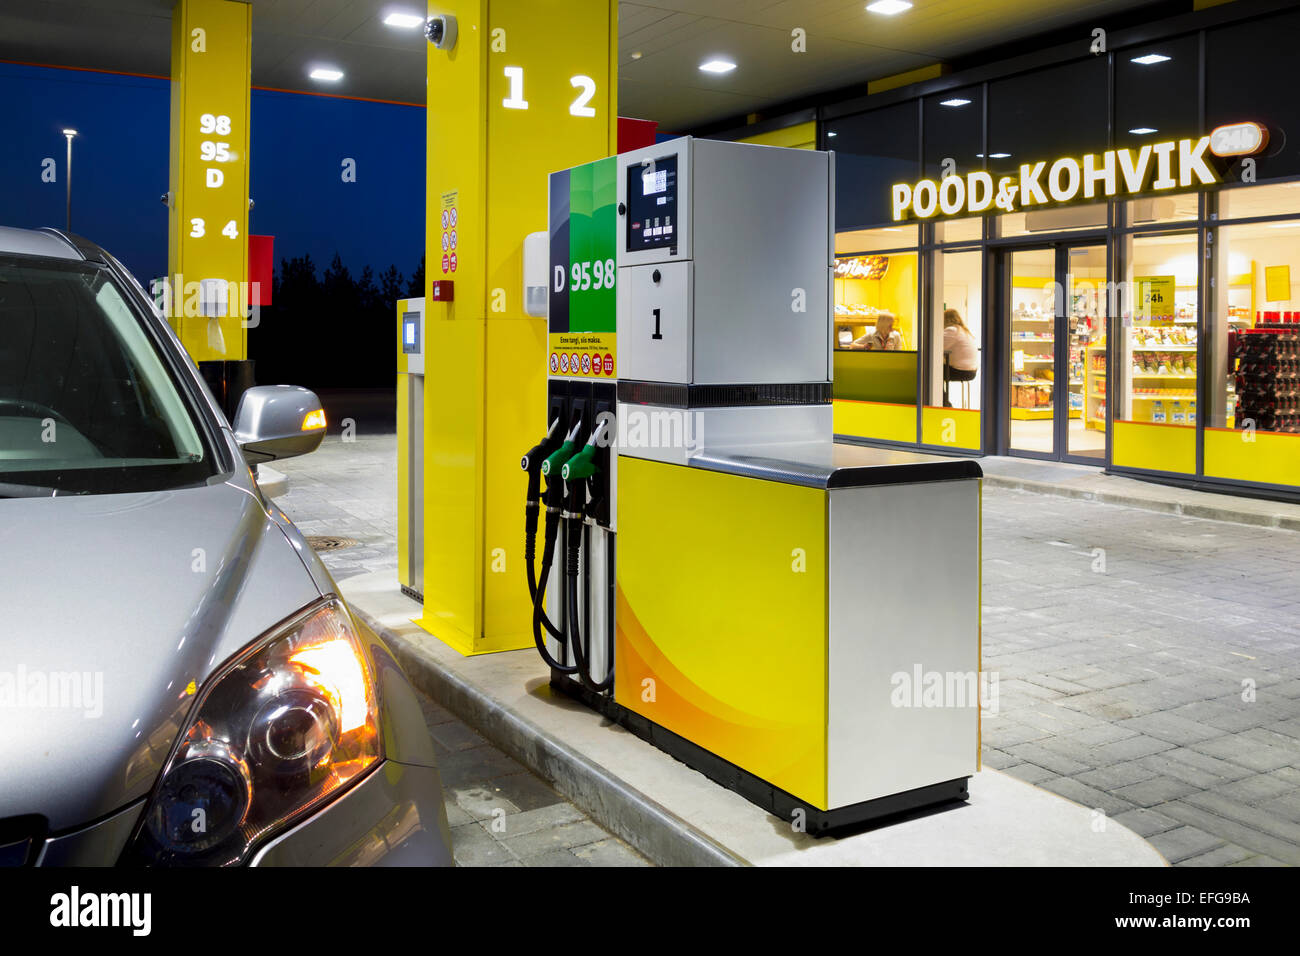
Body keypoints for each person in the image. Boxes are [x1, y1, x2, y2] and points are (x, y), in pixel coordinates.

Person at [942, 308, 978, 407]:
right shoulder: (964, 331)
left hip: (959, 371)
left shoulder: (952, 330)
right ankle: (944, 403)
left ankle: (944, 405)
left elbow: (935, 348)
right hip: (971, 372)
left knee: (929, 373)